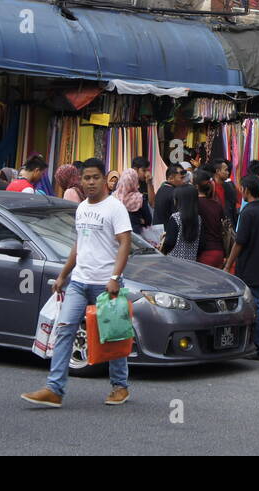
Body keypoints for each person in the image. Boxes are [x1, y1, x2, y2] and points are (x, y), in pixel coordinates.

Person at [22, 158, 132, 409]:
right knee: (64, 329)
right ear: (80, 181)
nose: (91, 182)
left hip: (106, 284)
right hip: (79, 282)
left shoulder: (115, 208)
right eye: (86, 178)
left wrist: (115, 278)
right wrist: (63, 275)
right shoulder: (81, 207)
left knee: (112, 335)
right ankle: (54, 389)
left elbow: (125, 242)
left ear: (104, 179)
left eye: (95, 177)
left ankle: (120, 386)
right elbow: (78, 245)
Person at [224, 174, 259, 361]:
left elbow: (239, 242)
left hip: (249, 265)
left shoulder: (247, 213)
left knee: (254, 304)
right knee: (254, 303)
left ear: (245, 190)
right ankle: (253, 345)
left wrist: (228, 264)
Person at [192, 169, 228, 268]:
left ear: (196, 186)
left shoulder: (194, 204)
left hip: (204, 253)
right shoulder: (217, 204)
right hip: (219, 251)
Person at [152, 164, 185, 232]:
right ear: (171, 178)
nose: (183, 181)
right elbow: (177, 218)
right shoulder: (175, 193)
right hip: (167, 234)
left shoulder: (161, 189)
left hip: (158, 232)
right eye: (181, 178)